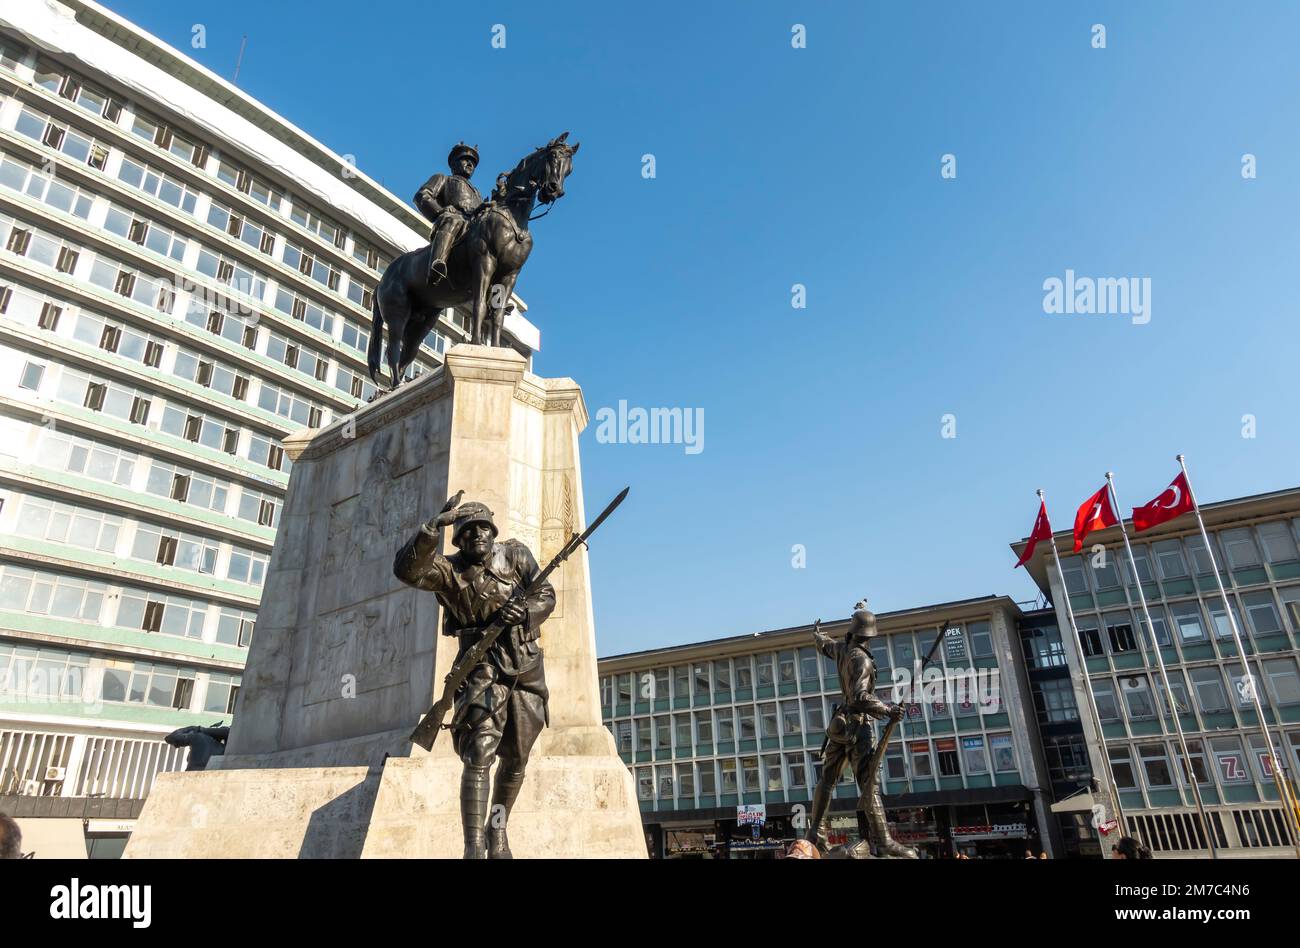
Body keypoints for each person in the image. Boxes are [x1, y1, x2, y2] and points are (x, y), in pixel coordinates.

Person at [394, 494, 555, 859]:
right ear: (459, 538)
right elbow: (408, 571)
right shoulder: (448, 571)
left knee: (516, 758)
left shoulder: (515, 555)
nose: (478, 534)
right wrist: (433, 525)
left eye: (484, 528)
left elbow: (545, 593)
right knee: (479, 753)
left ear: (493, 532)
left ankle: (497, 833)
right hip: (480, 667)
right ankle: (473, 846)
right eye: (468, 530)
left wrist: (525, 612)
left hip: (525, 665)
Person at [801, 601, 916, 858]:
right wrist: (886, 710)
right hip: (858, 728)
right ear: (869, 636)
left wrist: (817, 633)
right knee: (869, 784)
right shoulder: (861, 659)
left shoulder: (842, 649)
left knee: (828, 779)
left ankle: (815, 834)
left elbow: (824, 644)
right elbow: (859, 697)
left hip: (840, 725)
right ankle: (884, 842)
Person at [413, 143, 484, 285]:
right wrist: (440, 211)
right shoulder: (443, 178)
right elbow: (422, 196)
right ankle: (437, 263)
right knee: (453, 219)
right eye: (465, 159)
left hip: (472, 225)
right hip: (451, 221)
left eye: (473, 163)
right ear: (454, 164)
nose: (470, 164)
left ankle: (495, 292)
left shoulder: (477, 192)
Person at [164, 724, 229, 771]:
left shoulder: (198, 737)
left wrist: (196, 728)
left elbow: (171, 737)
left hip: (193, 775)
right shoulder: (225, 751)